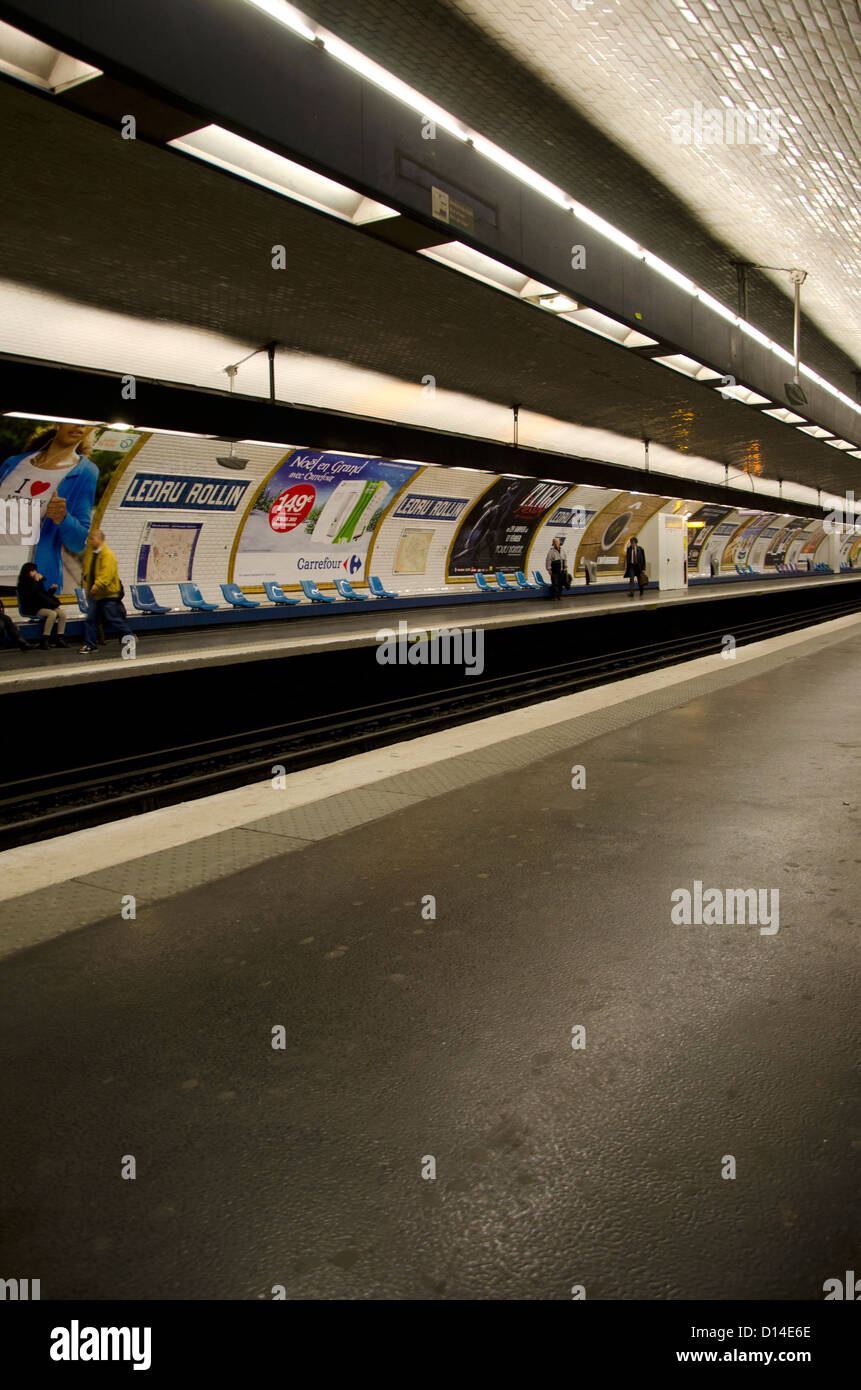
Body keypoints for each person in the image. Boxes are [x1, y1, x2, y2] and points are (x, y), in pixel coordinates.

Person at [0, 422, 100, 597]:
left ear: (93, 429)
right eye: (75, 420)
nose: (80, 427)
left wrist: (63, 518)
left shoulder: (85, 472)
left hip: (27, 581)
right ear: (58, 421)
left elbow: (78, 542)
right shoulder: (14, 463)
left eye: (87, 424)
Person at [79, 526, 134, 655]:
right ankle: (91, 644)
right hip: (96, 595)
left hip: (107, 594)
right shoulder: (94, 555)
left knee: (113, 618)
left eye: (91, 538)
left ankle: (130, 638)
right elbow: (91, 571)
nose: (89, 541)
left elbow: (106, 574)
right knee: (90, 620)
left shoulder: (107, 555)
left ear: (99, 539)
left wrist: (96, 585)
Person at [16, 562, 68, 650]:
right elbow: (30, 594)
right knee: (52, 614)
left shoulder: (38, 583)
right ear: (27, 572)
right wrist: (36, 581)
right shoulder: (22, 584)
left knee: (62, 613)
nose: (35, 573)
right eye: (32, 571)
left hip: (42, 605)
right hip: (31, 608)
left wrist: (51, 590)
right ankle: (45, 640)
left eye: (35, 570)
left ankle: (60, 638)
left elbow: (43, 596)